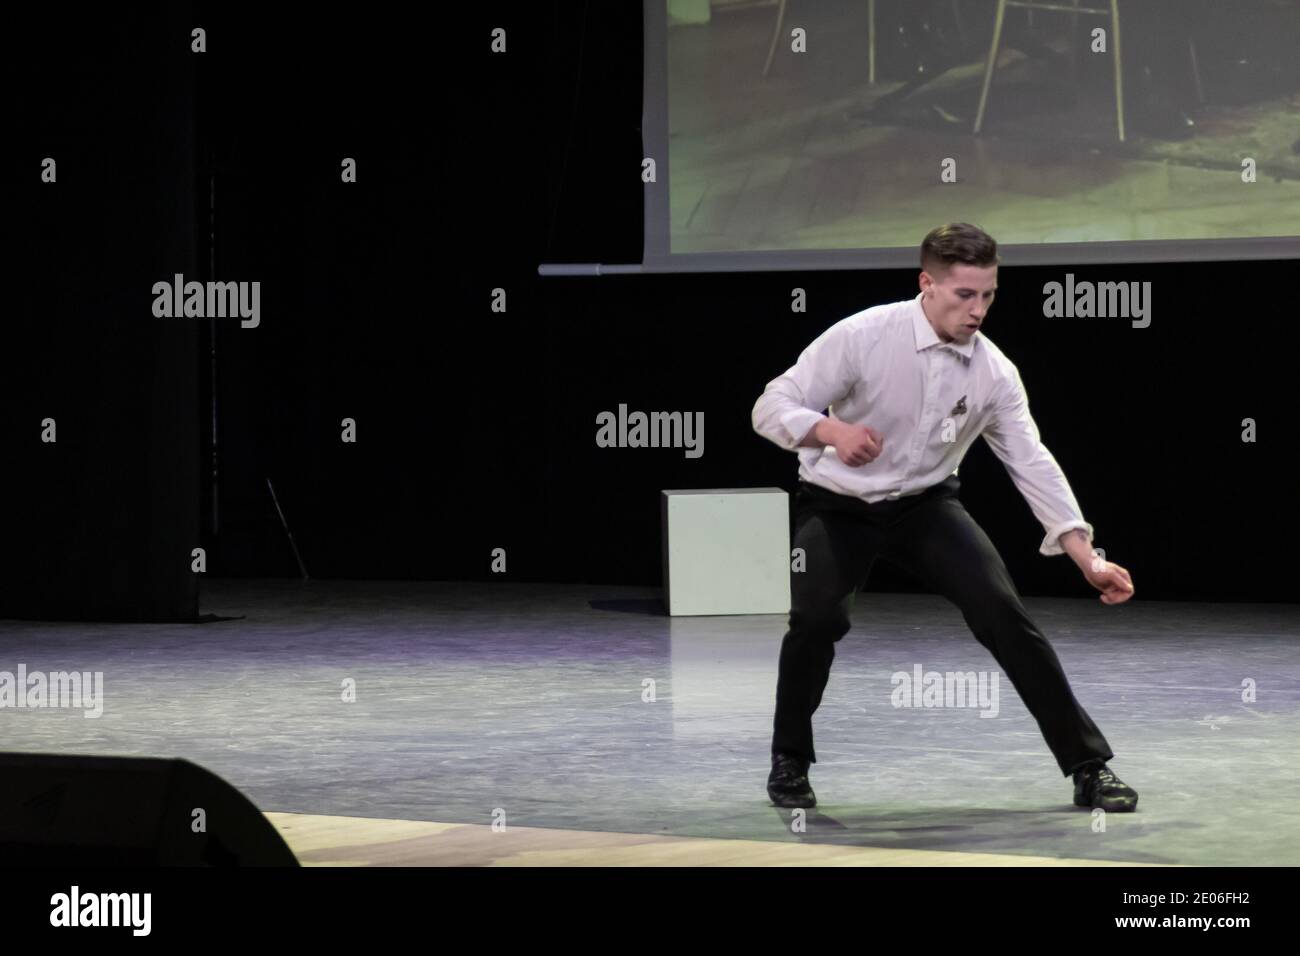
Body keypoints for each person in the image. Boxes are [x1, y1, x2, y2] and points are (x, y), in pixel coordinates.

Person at [751, 222, 1138, 812]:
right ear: (927, 284)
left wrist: (1086, 555)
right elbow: (771, 404)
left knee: (1005, 615)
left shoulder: (993, 373)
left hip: (926, 507)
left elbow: (1031, 462)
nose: (978, 309)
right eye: (964, 294)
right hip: (837, 505)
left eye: (988, 294)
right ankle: (789, 762)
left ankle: (1090, 766)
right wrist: (830, 429)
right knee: (815, 620)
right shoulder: (864, 336)